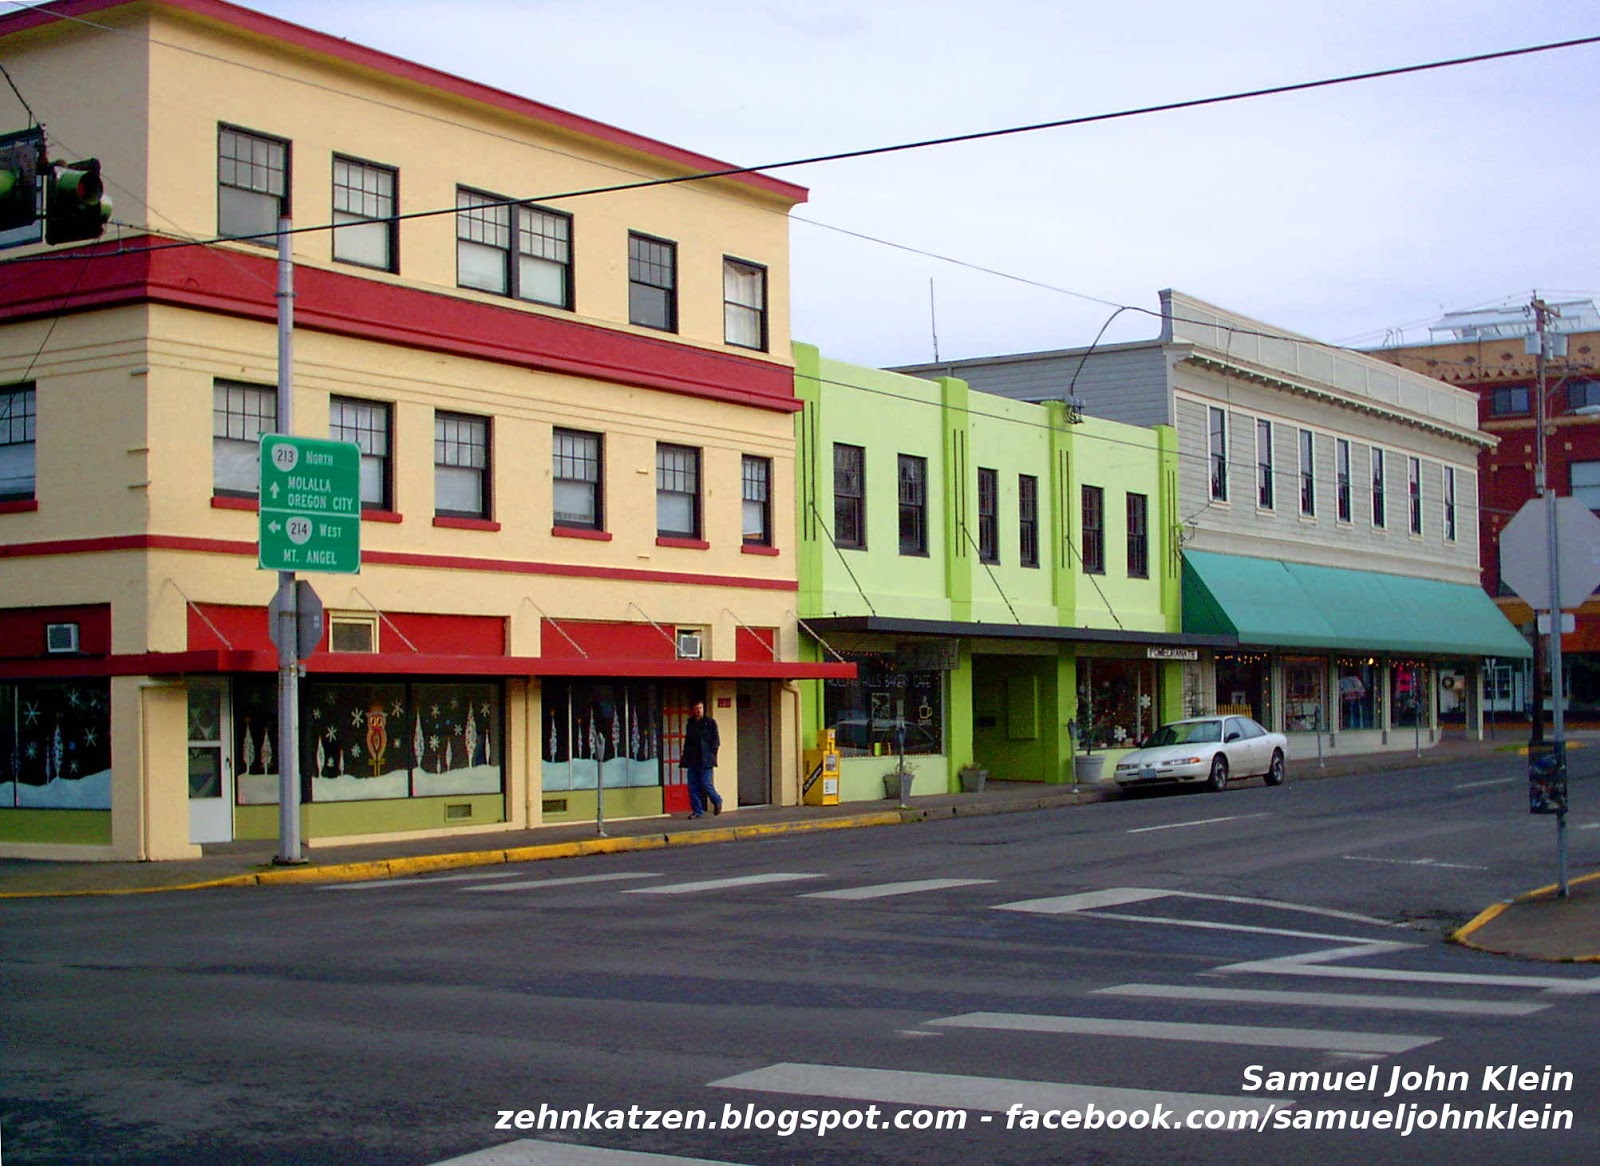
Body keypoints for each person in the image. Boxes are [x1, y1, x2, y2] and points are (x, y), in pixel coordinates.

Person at [680, 699, 723, 818]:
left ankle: (717, 800)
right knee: (692, 786)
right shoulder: (691, 723)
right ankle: (697, 811)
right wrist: (685, 757)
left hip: (705, 759)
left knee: (705, 783)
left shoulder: (710, 723)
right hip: (693, 759)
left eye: (700, 708)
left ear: (703, 709)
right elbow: (688, 741)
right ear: (693, 710)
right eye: (696, 708)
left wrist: (711, 755)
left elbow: (715, 741)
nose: (699, 710)